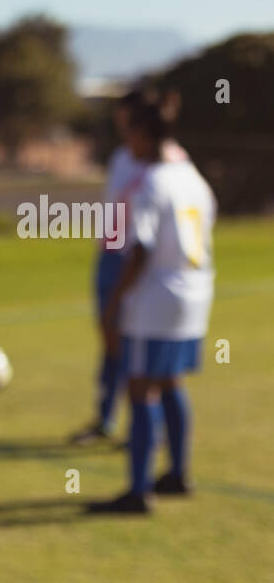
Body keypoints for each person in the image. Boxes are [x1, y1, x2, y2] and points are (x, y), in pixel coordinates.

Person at [89, 91, 213, 514]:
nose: (127, 143)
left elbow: (138, 249)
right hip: (194, 293)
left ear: (142, 133)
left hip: (155, 297)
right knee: (171, 381)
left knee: (140, 387)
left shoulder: (149, 181)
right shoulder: (193, 176)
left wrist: (114, 304)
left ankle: (138, 490)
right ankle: (178, 472)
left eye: (129, 133)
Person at [70, 89, 189, 446]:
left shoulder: (172, 164)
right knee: (111, 341)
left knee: (148, 360)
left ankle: (148, 432)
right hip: (111, 256)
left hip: (144, 266)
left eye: (128, 120)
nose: (122, 128)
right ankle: (107, 418)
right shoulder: (123, 156)